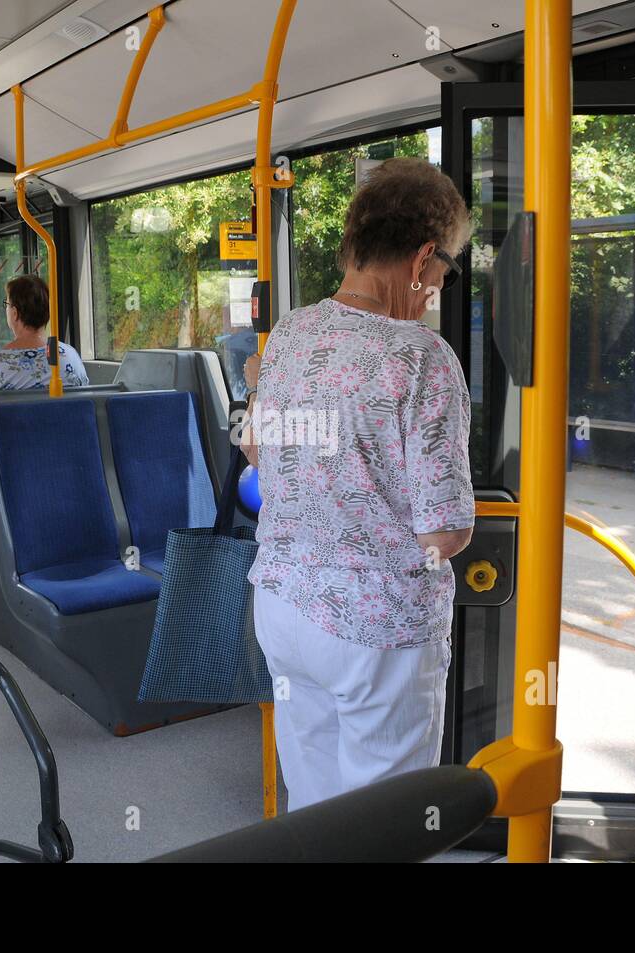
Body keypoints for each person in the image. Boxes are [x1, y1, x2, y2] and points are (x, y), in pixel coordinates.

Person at [243, 157, 475, 810]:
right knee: (385, 824)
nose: (438, 289)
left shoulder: (290, 331)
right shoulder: (421, 356)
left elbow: (257, 447)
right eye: (445, 272)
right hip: (376, 631)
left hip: (284, 607)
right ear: (423, 257)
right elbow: (441, 530)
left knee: (317, 814)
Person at [0, 274, 89, 502]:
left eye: (7, 304)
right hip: (62, 445)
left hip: (9, 450)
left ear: (14, 313)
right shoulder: (70, 355)